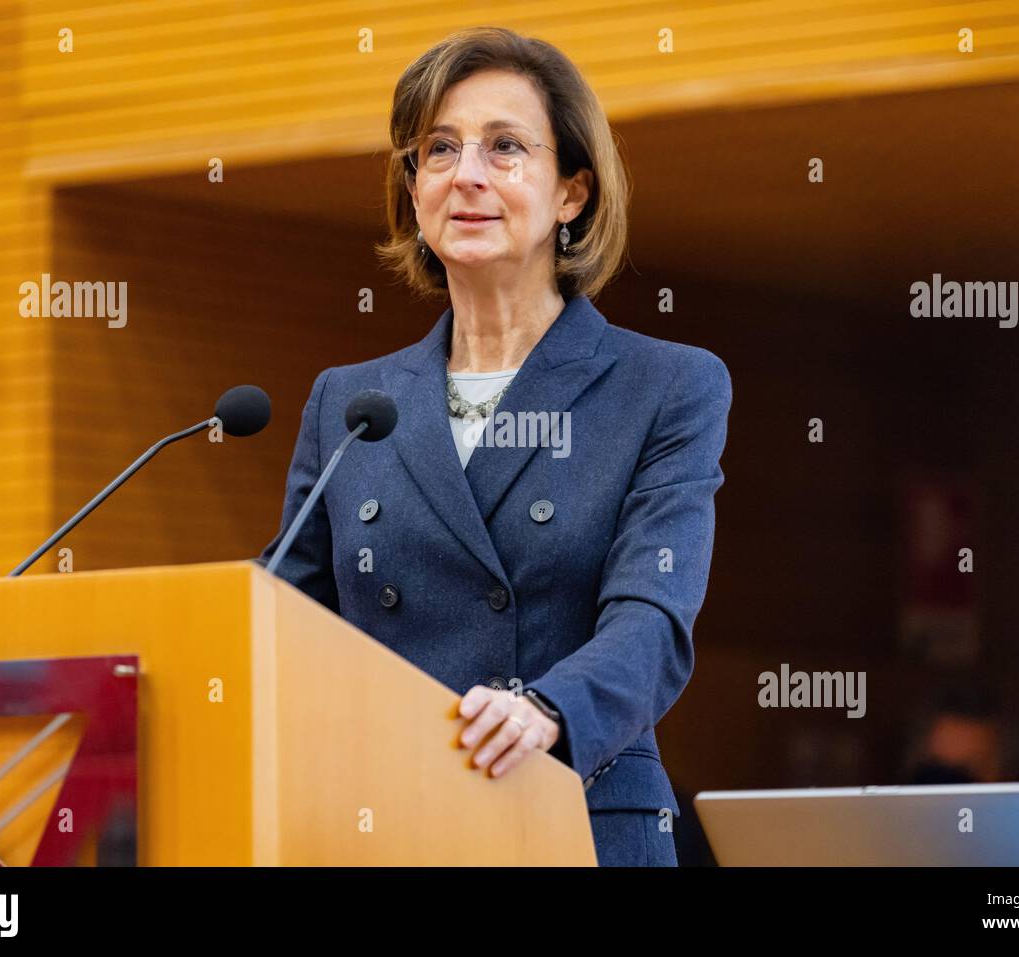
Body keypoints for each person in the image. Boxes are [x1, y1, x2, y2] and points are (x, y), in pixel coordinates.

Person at [262, 26, 731, 867]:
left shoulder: (665, 386)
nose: (466, 174)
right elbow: (284, 624)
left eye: (505, 147)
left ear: (571, 193)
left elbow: (652, 623)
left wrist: (547, 708)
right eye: (438, 150)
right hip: (389, 829)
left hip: (576, 818)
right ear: (413, 189)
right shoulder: (351, 401)